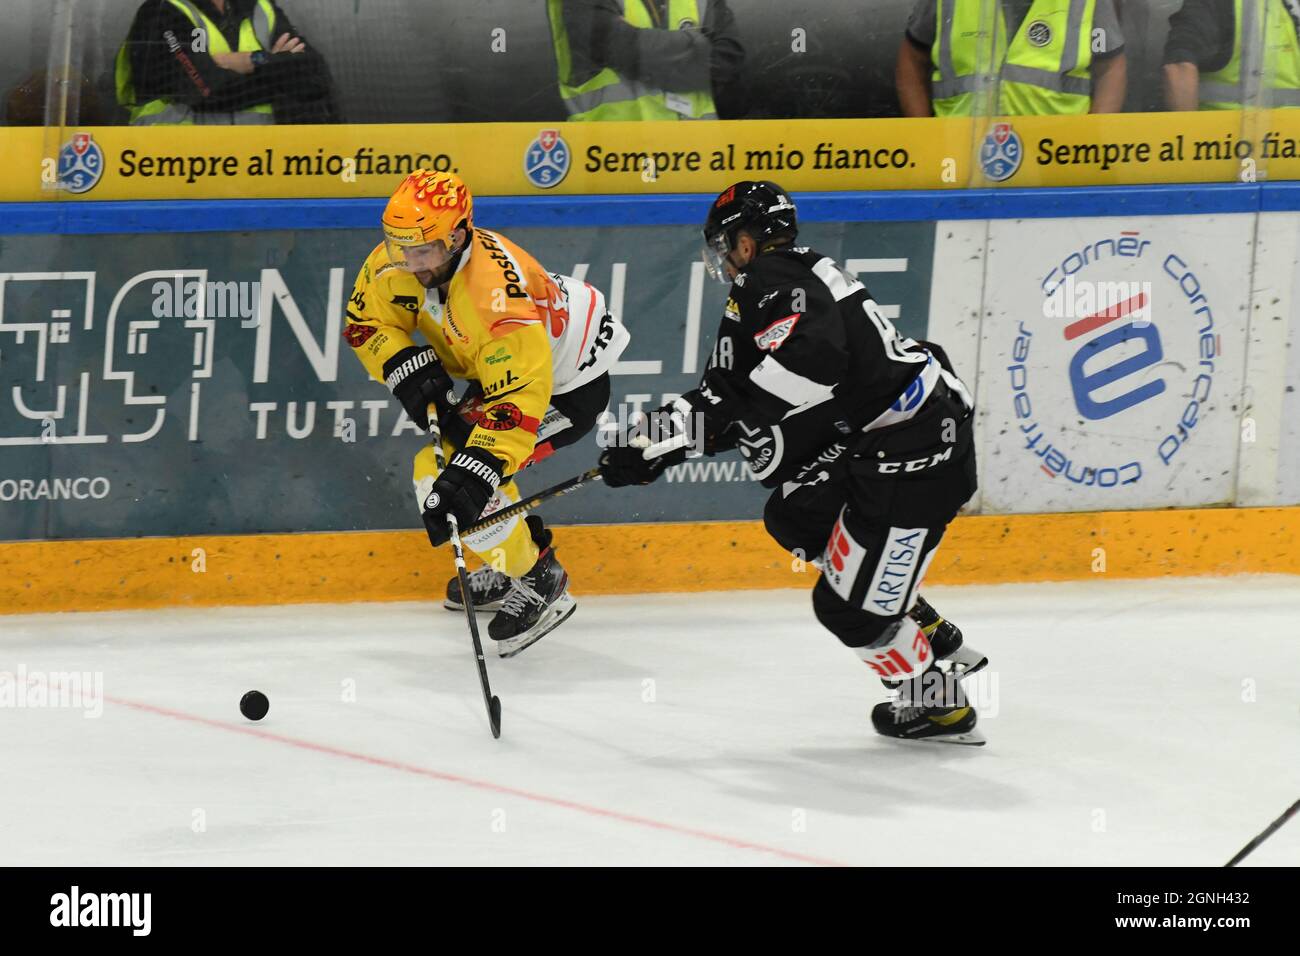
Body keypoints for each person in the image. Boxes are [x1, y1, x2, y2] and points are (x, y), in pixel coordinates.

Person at [598, 181, 989, 744]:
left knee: (847, 615)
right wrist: (651, 444)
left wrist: (668, 439)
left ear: (746, 244)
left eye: (726, 247)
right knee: (796, 513)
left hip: (915, 453)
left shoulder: (769, 279)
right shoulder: (787, 279)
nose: (725, 261)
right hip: (892, 440)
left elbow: (809, 365)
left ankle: (939, 704)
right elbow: (726, 397)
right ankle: (911, 613)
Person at [344, 170, 629, 657]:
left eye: (421, 249)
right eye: (399, 246)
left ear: (457, 236)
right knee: (458, 466)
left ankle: (539, 577)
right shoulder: (403, 261)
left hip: (562, 388)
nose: (407, 261)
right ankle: (506, 559)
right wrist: (400, 364)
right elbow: (366, 321)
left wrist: (478, 473)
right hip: (502, 375)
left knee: (447, 473)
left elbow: (521, 396)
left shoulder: (494, 297)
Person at [115, 0, 337, 125]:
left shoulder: (261, 9)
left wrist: (254, 60)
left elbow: (315, 76)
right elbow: (208, 92)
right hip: (175, 172)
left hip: (255, 171)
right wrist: (282, 71)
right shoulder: (161, 12)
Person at [896, 0, 1127, 116]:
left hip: (1056, 159)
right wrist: (926, 140)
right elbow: (912, 57)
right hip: (961, 157)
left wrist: (1091, 147)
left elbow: (1110, 67)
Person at [546, 0, 746, 120]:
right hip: (613, 163)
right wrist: (700, 45)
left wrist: (650, 45)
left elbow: (729, 60)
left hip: (695, 162)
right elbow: (625, 50)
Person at [1164, 0, 1300, 110]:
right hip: (1226, 139)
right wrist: (1188, 136)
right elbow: (1179, 66)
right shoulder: (1220, 4)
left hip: (1288, 138)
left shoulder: (1288, 8)